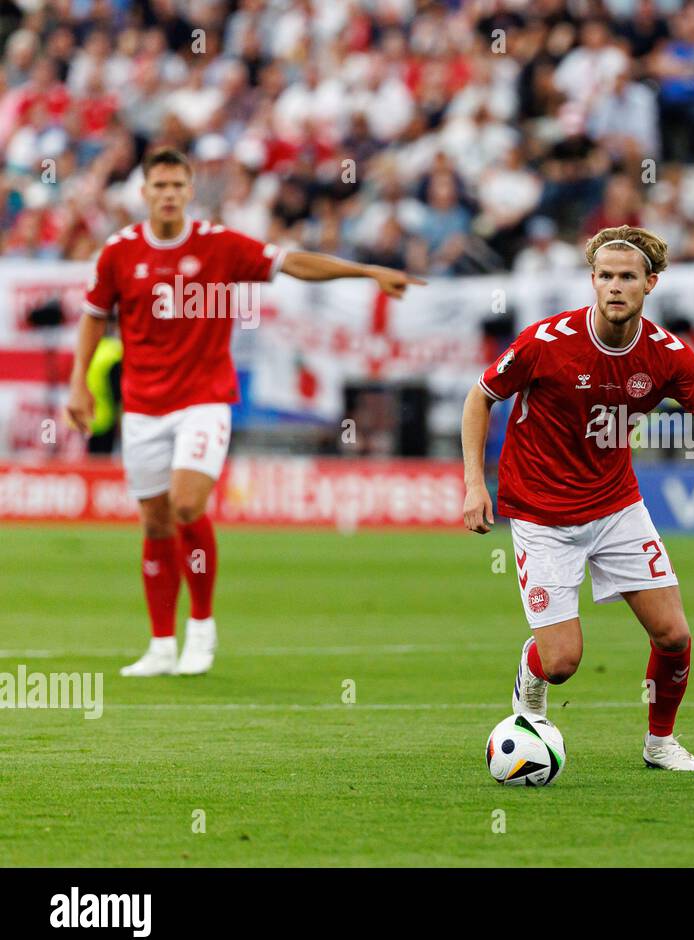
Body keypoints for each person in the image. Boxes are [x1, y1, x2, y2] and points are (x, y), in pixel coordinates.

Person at [460, 225, 694, 772]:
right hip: (542, 514)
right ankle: (531, 680)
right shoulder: (546, 343)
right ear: (592, 281)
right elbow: (480, 397)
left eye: (627, 276)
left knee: (674, 634)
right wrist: (471, 482)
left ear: (650, 284)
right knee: (562, 663)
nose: (614, 286)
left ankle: (660, 744)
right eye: (604, 276)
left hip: (615, 507)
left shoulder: (668, 355)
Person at [64, 147, 424, 677]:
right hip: (142, 406)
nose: (167, 195)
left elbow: (292, 263)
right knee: (154, 522)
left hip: (204, 400)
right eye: (158, 186)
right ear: (143, 193)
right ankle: (162, 644)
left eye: (176, 186)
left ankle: (203, 628)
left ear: (189, 191)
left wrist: (365, 270)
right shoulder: (118, 253)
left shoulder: (219, 245)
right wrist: (79, 386)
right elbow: (94, 318)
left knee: (187, 505)